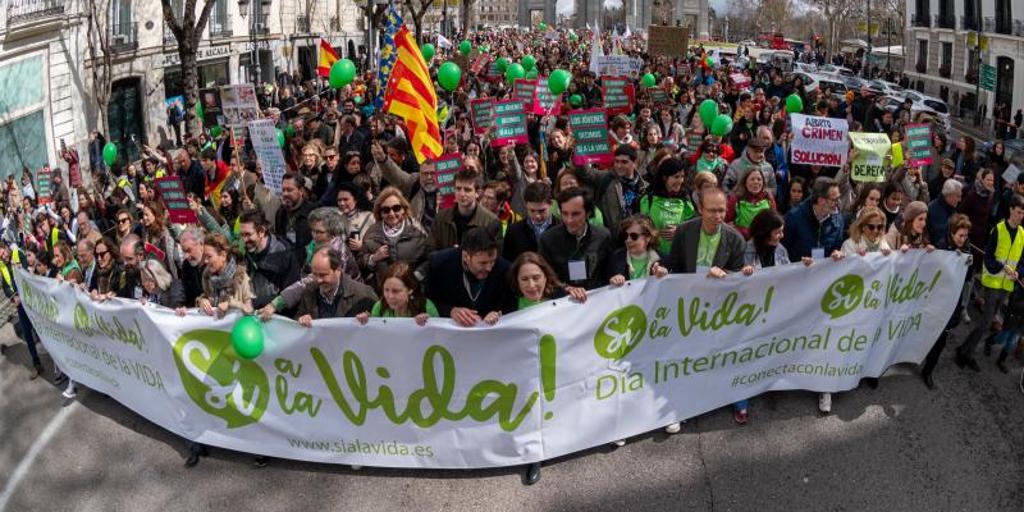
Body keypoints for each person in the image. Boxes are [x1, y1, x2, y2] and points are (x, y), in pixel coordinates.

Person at [663, 186, 751, 427]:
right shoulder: (684, 232)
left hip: (720, 306)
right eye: (711, 210)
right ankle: (680, 405)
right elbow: (674, 267)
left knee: (727, 352)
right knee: (687, 356)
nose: (717, 216)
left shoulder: (735, 239)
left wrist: (726, 274)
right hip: (688, 304)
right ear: (700, 209)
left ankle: (737, 397)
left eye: (721, 210)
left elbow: (737, 278)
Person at [507, 250, 586, 485]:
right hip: (523, 370)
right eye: (525, 279)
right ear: (516, 282)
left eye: (536, 277)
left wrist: (580, 296)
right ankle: (534, 456)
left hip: (559, 366)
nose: (532, 285)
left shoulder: (563, 296)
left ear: (546, 276)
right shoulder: (508, 301)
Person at [956, 195, 1024, 371]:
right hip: (993, 282)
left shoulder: (1023, 233)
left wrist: (1018, 272)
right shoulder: (998, 229)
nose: (1021, 216)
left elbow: (1022, 260)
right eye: (1018, 212)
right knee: (986, 323)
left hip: (1007, 285)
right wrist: (1002, 267)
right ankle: (966, 354)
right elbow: (989, 257)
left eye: (1023, 213)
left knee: (987, 323)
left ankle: (964, 350)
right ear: (1011, 210)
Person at [425, 227, 515, 327]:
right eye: (483, 263)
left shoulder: (505, 269)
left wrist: (495, 316)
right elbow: (429, 299)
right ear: (466, 256)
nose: (489, 268)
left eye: (493, 261)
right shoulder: (439, 264)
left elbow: (510, 308)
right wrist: (450, 311)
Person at [921, 214, 972, 388]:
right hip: (936, 301)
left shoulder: (966, 249)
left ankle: (928, 371)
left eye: (965, 236)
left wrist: (968, 264)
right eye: (960, 236)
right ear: (952, 233)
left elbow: (966, 279)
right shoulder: (941, 247)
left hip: (951, 305)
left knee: (941, 341)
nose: (963, 239)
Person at [539, 187, 612, 290]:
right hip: (565, 301)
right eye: (565, 213)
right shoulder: (548, 240)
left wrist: (615, 276)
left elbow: (609, 269)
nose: (569, 220)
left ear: (588, 213)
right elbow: (546, 278)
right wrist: (566, 289)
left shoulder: (603, 236)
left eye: (575, 214)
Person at [359, 187, 429, 282]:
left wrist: (416, 277)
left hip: (410, 289)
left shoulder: (417, 230)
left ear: (403, 209)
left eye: (396, 208)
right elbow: (360, 264)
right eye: (386, 210)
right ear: (380, 213)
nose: (391, 213)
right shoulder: (371, 233)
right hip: (383, 291)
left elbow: (428, 258)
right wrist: (373, 258)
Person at [295, 247, 378, 327]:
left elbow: (381, 324)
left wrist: (369, 320)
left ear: (338, 269)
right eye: (315, 274)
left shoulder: (362, 294)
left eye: (323, 275)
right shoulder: (310, 291)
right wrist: (302, 320)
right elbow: (296, 323)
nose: (318, 280)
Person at [238, 209, 301, 309]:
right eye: (242, 235)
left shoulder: (285, 255)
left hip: (276, 318)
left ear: (262, 231)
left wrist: (255, 303)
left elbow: (291, 294)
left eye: (248, 234)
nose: (244, 240)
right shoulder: (245, 251)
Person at [427, 169, 499, 252]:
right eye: (458, 189)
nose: (462, 194)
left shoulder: (491, 222)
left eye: (467, 190)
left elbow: (494, 255)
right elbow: (430, 251)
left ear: (477, 193)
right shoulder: (441, 217)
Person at [640, 158, 696, 255]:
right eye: (676, 177)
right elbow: (641, 228)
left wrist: (680, 231)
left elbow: (694, 226)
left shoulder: (686, 199)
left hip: (680, 256)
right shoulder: (648, 199)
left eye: (682, 176)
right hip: (654, 256)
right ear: (664, 177)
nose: (680, 181)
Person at [782, 177, 846, 262]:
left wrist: (837, 253)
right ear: (820, 200)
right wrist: (799, 262)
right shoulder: (793, 217)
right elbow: (781, 251)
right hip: (798, 273)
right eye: (834, 200)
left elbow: (837, 246)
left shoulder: (838, 219)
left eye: (839, 198)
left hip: (824, 273)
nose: (839, 203)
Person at [355, 262, 437, 325]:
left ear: (410, 290)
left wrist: (428, 324)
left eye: (396, 291)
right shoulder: (379, 307)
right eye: (386, 290)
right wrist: (366, 322)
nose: (390, 296)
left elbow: (439, 338)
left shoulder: (426, 307)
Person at [197, 233, 254, 317]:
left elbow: (251, 309)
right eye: (204, 257)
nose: (205, 261)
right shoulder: (207, 277)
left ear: (223, 255)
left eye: (209, 256)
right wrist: (202, 301)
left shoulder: (241, 277)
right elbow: (206, 296)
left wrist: (230, 303)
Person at [606, 215, 670, 287]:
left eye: (634, 236)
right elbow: (604, 289)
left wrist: (666, 276)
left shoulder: (664, 260)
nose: (628, 240)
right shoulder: (615, 259)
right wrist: (613, 281)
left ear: (648, 237)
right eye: (626, 235)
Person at [503, 182, 558, 263]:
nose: (537, 216)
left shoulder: (563, 228)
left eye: (542, 211)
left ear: (551, 204)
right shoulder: (514, 231)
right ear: (525, 205)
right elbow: (508, 263)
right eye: (532, 211)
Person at [726, 166, 776, 240]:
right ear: (745, 182)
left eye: (759, 179)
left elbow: (774, 221)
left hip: (762, 241)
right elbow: (727, 224)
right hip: (741, 241)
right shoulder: (735, 199)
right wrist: (745, 232)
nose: (756, 182)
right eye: (752, 179)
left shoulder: (768, 197)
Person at [926, 179, 963, 250]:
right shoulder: (932, 210)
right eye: (958, 196)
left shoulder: (954, 211)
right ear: (949, 194)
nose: (960, 200)